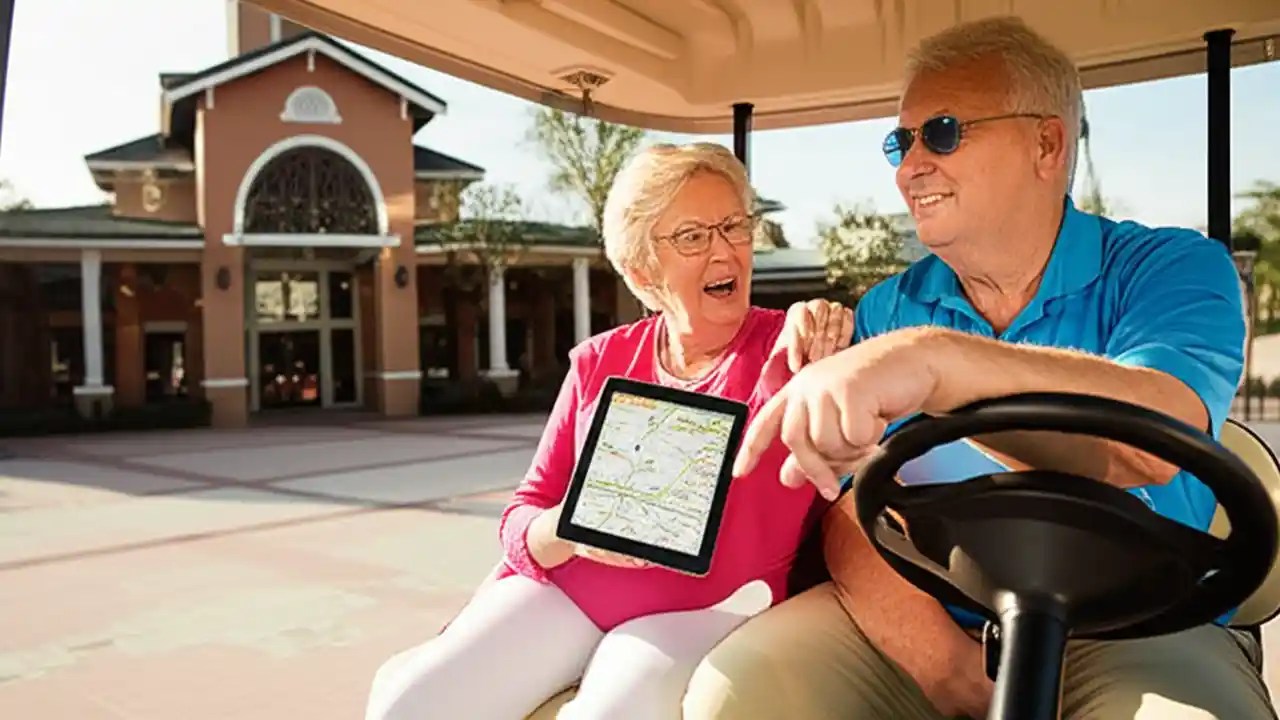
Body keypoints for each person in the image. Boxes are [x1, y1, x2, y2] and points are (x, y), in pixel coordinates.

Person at [681, 16, 1275, 720]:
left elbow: (1143, 446)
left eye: (942, 134)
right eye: (900, 142)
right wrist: (940, 661)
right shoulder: (888, 308)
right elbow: (850, 511)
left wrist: (937, 363)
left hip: (1140, 626)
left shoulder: (1172, 269)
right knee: (736, 691)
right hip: (936, 610)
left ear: (1047, 144)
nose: (908, 167)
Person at [365, 142, 852, 720]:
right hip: (572, 589)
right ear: (643, 270)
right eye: (693, 236)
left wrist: (831, 326)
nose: (724, 249)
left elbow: (857, 392)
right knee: (406, 704)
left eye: (734, 227)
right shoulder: (600, 360)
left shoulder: (797, 348)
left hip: (711, 604)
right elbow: (523, 514)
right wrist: (575, 530)